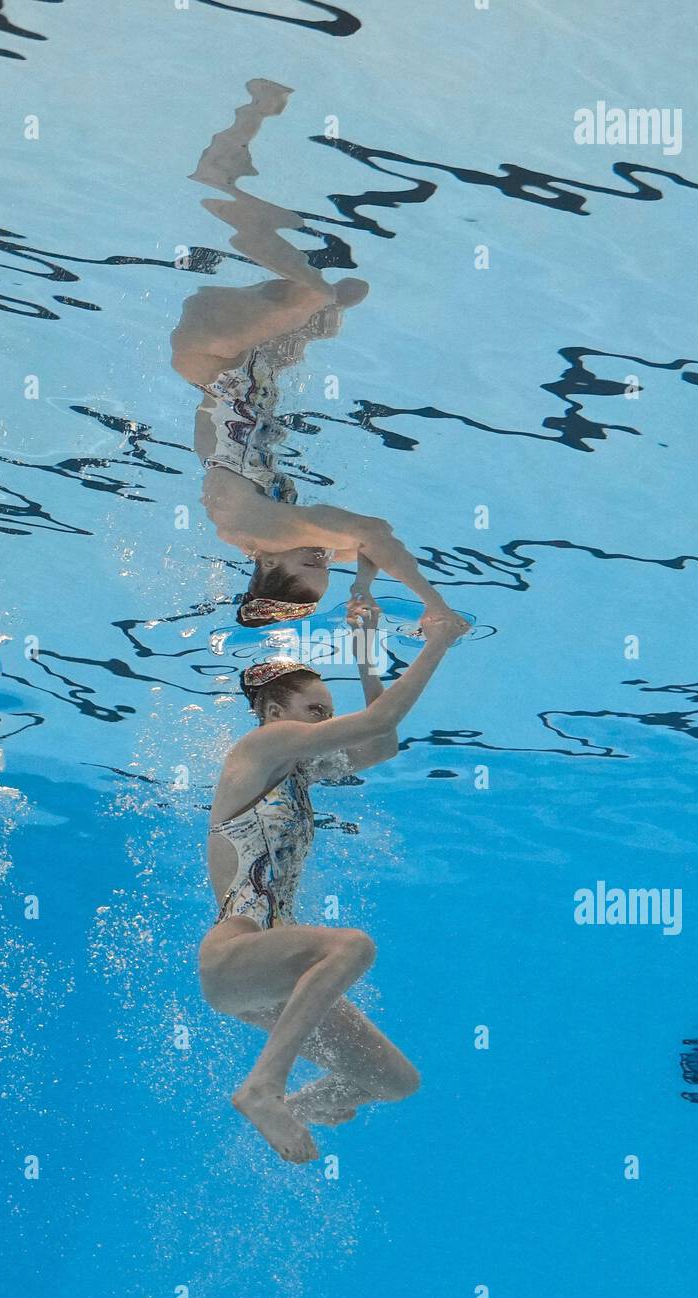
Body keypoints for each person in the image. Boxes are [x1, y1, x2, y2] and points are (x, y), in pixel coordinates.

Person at [170, 78, 462, 633]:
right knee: (344, 299)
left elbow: (371, 534)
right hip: (255, 364)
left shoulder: (253, 527)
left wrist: (434, 605)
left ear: (268, 561)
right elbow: (373, 536)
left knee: (314, 295)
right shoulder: (281, 532)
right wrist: (363, 584)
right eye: (322, 561)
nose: (318, 551)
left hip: (212, 357)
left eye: (310, 559)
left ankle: (220, 180)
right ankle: (241, 172)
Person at [200, 607, 468, 1163]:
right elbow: (375, 724)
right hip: (234, 956)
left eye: (328, 713)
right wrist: (437, 642)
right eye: (315, 712)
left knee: (393, 1081)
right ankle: (262, 1088)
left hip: (271, 974)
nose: (325, 722)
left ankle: (290, 1108)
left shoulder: (297, 770)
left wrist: (367, 645)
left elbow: (382, 739)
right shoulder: (258, 751)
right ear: (275, 713)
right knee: (353, 946)